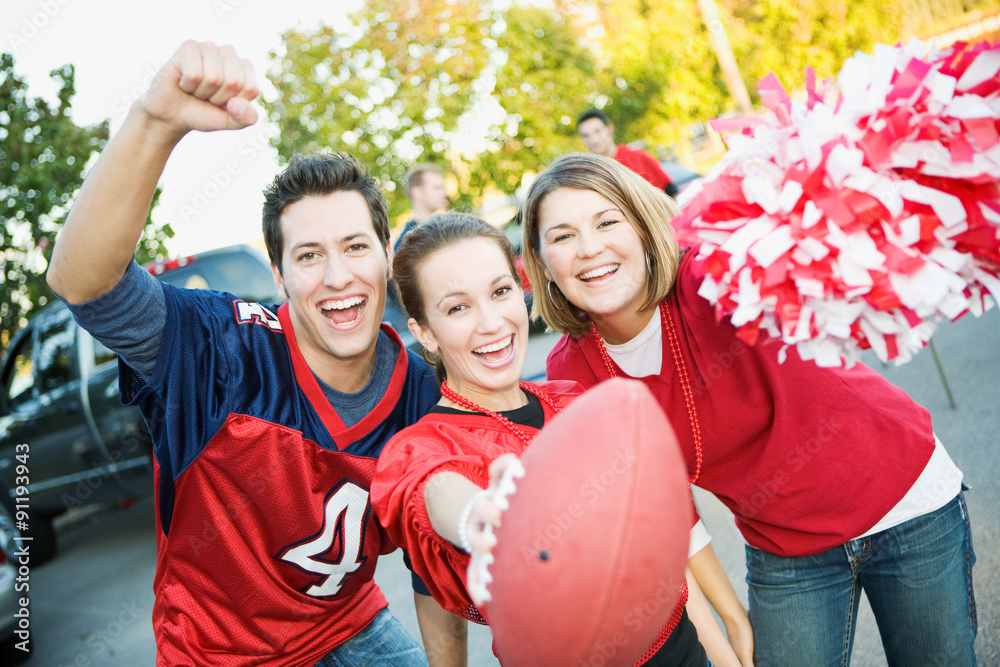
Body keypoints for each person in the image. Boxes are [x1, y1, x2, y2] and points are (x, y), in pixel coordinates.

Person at [45, 40, 461, 666]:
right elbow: (85, 284)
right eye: (309, 255)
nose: (338, 275)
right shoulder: (220, 349)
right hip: (219, 652)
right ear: (279, 276)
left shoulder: (420, 386)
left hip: (349, 621)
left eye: (354, 246)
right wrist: (155, 123)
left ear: (386, 256)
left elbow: (434, 566)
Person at [520, 152, 978, 666]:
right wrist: (730, 622)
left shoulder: (710, 276)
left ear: (645, 227)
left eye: (608, 221)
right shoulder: (571, 373)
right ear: (540, 264)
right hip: (785, 549)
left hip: (905, 500)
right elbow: (659, 511)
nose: (589, 248)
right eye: (561, 236)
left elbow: (797, 238)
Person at [370, 211, 740, 666]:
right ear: (424, 331)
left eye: (500, 292)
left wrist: (720, 655)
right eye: (458, 307)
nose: (491, 323)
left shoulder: (576, 403)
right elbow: (432, 489)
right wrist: (477, 516)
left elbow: (667, 567)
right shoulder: (425, 446)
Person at [578, 108, 679, 198]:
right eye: (586, 135)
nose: (593, 139)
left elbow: (671, 191)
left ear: (609, 129)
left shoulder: (638, 156)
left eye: (597, 131)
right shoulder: (591, 175)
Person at [395, 163, 450, 253]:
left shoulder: (446, 229)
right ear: (417, 192)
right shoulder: (407, 242)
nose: (444, 193)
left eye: (443, 188)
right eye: (436, 188)